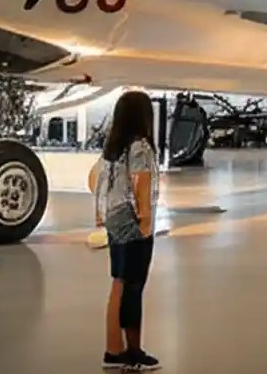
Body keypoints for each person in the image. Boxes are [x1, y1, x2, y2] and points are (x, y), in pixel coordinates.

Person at [94, 90, 162, 370]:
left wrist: (102, 214)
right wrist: (145, 221)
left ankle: (113, 350)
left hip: (115, 220)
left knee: (119, 284)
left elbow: (97, 181)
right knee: (134, 287)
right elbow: (141, 184)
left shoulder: (113, 148)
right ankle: (134, 353)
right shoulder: (141, 147)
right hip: (134, 224)